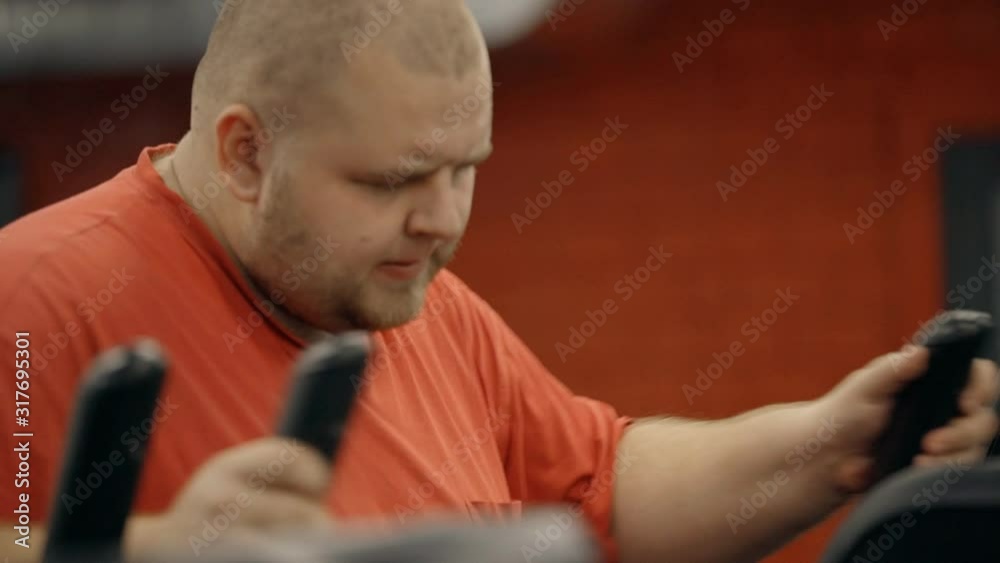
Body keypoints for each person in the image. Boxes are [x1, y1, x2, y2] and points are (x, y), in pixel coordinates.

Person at [1, 1, 998, 562]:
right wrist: (160, 546)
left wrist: (832, 444)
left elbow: (605, 485)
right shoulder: (35, 298)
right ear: (248, 153)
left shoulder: (414, 298)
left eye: (463, 168)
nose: (442, 219)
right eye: (392, 180)